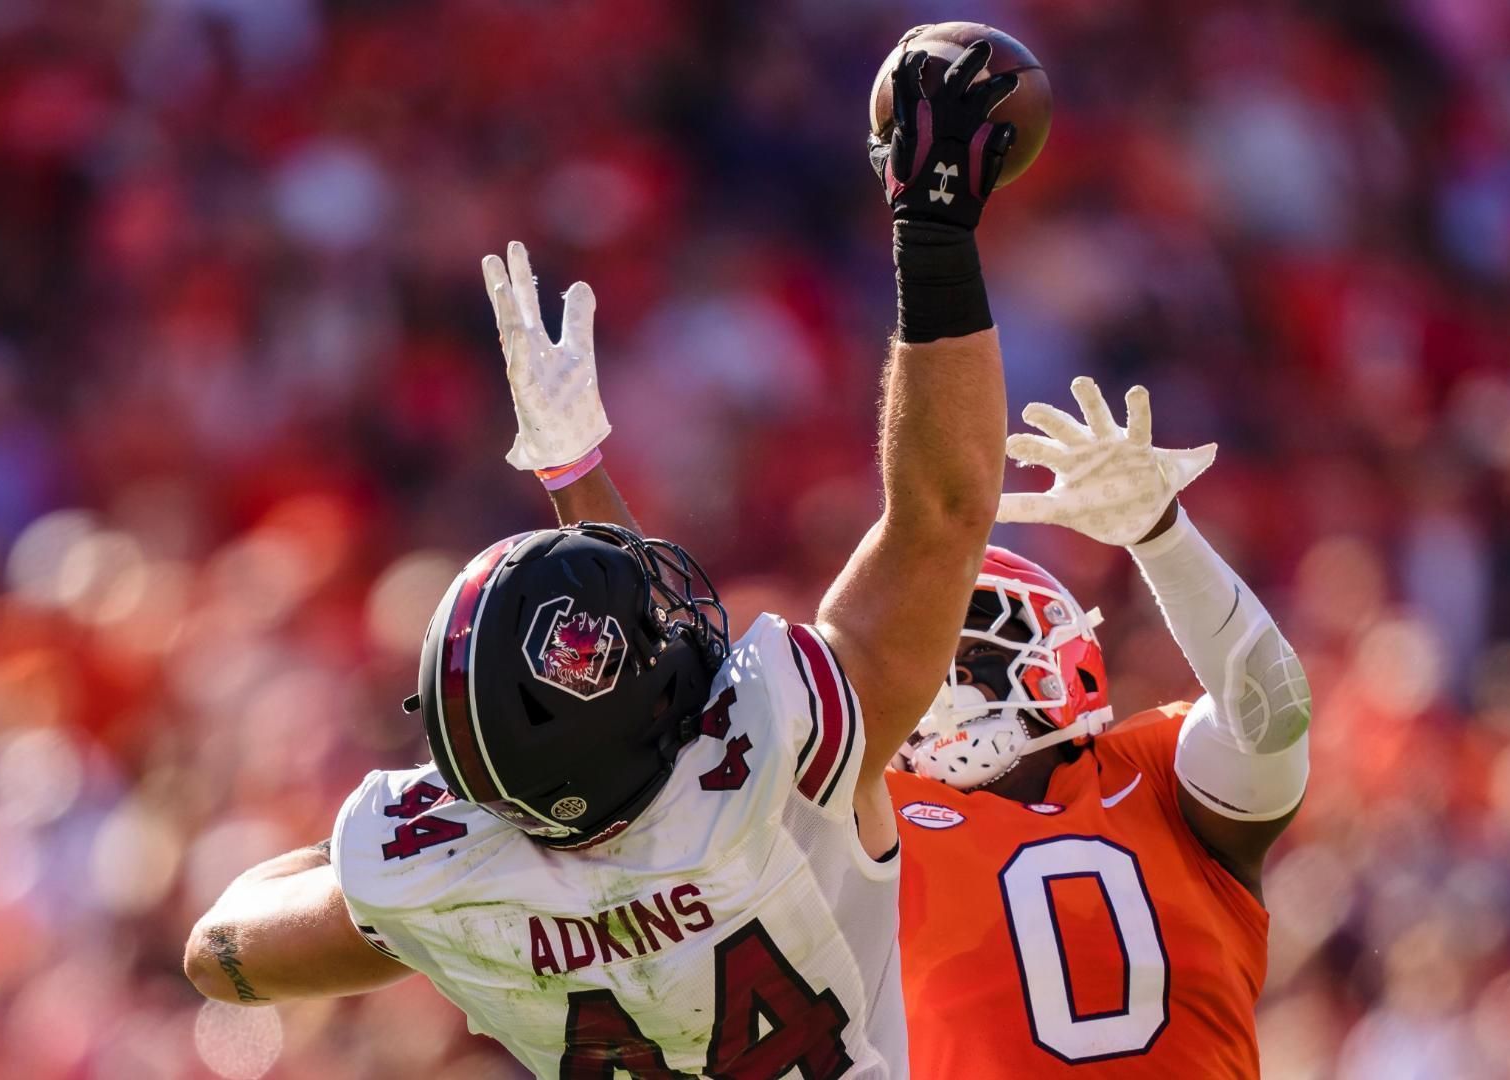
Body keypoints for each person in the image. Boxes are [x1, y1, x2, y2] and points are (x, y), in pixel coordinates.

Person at [184, 40, 1025, 1079]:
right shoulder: (776, 761)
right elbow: (943, 510)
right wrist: (932, 225)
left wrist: (480, 805)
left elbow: (221, 954)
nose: (675, 624)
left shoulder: (445, 882)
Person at [886, 376, 1313, 1079]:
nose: (946, 688)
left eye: (975, 654)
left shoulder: (1160, 777)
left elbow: (1274, 709)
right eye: (923, 658)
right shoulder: (872, 820)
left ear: (1065, 656)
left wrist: (1163, 536)